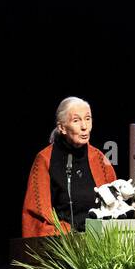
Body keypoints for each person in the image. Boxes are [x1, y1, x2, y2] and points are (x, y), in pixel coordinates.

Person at [21, 96, 116, 237]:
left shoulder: (100, 159)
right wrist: (66, 233)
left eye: (88, 118)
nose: (84, 126)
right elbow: (36, 216)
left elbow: (116, 205)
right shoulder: (45, 159)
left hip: (100, 241)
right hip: (63, 244)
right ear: (62, 128)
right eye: (76, 120)